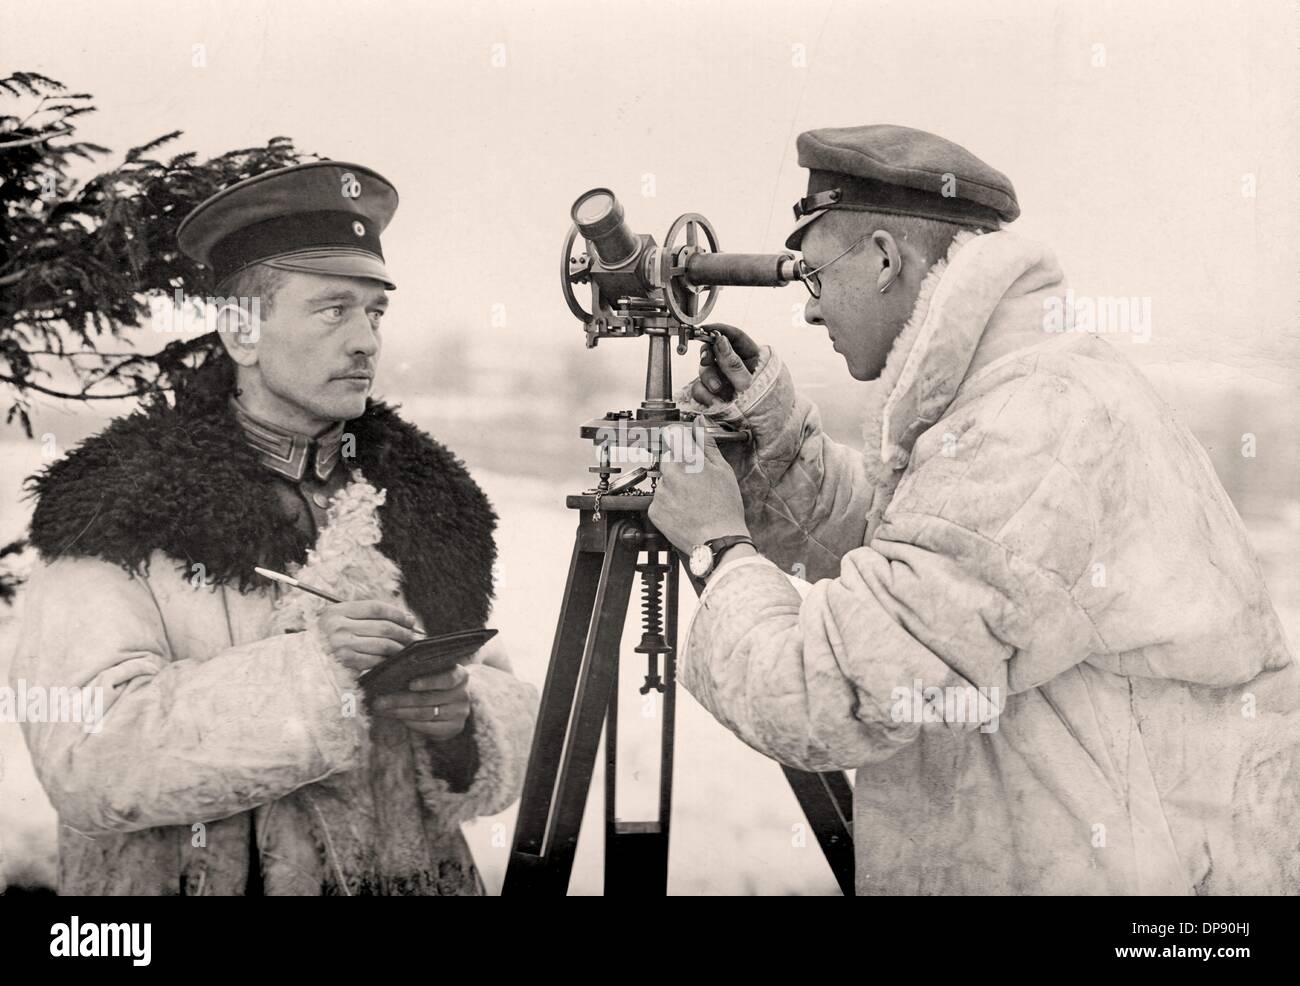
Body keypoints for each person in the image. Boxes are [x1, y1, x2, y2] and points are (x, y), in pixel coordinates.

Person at [648, 124, 1300, 895]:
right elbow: (916, 570)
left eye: (815, 279)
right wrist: (779, 443)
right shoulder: (1022, 393)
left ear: (887, 259)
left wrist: (716, 546)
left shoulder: (1031, 427)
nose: (813, 315)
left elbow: (829, 693)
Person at [10, 161, 537, 895]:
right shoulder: (115, 507)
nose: (366, 343)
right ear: (242, 332)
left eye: (374, 313)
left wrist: (459, 724)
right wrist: (317, 673)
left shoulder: (424, 503)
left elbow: (499, 696)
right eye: (332, 310)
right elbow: (86, 757)